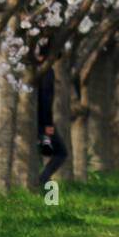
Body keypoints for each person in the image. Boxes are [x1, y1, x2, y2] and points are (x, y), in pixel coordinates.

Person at [36, 54, 69, 189]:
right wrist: (48, 127)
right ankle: (43, 179)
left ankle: (43, 180)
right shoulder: (47, 73)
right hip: (42, 122)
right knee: (61, 152)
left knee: (47, 151)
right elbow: (46, 101)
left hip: (39, 120)